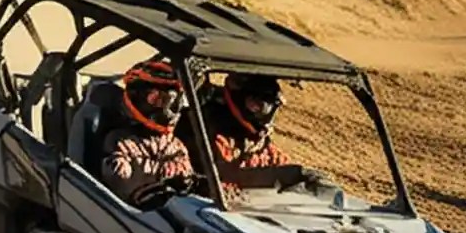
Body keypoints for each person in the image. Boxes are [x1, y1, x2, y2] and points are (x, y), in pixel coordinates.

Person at [182, 73, 324, 196]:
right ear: (238, 99)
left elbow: (278, 164)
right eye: (256, 105)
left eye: (269, 108)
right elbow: (224, 179)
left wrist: (300, 176)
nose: (263, 114)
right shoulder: (211, 134)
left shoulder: (260, 143)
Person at [100, 59, 198, 209]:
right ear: (136, 96)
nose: (166, 110)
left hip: (175, 213)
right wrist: (163, 173)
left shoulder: (174, 144)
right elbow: (122, 180)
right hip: (138, 218)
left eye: (172, 102)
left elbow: (186, 173)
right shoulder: (119, 140)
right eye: (157, 99)